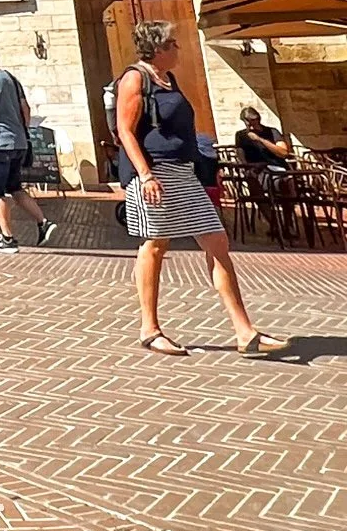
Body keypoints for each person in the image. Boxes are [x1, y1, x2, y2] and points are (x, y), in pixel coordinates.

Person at [115, 19, 286, 358]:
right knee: (155, 245)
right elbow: (125, 130)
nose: (178, 48)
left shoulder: (169, 79)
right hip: (155, 174)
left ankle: (245, 331)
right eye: (173, 44)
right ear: (158, 48)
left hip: (182, 171)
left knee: (217, 240)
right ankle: (150, 329)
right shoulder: (135, 78)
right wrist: (146, 175)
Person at [0, 43, 57, 252]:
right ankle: (43, 222)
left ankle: (7, 238)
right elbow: (26, 108)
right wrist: (22, 131)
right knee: (15, 187)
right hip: (19, 143)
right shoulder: (11, 79)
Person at [236, 106, 292, 176]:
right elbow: (241, 156)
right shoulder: (241, 135)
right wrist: (247, 168)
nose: (251, 127)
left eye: (254, 124)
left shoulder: (272, 132)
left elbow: (283, 153)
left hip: (276, 167)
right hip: (256, 170)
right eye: (248, 125)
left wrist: (260, 139)